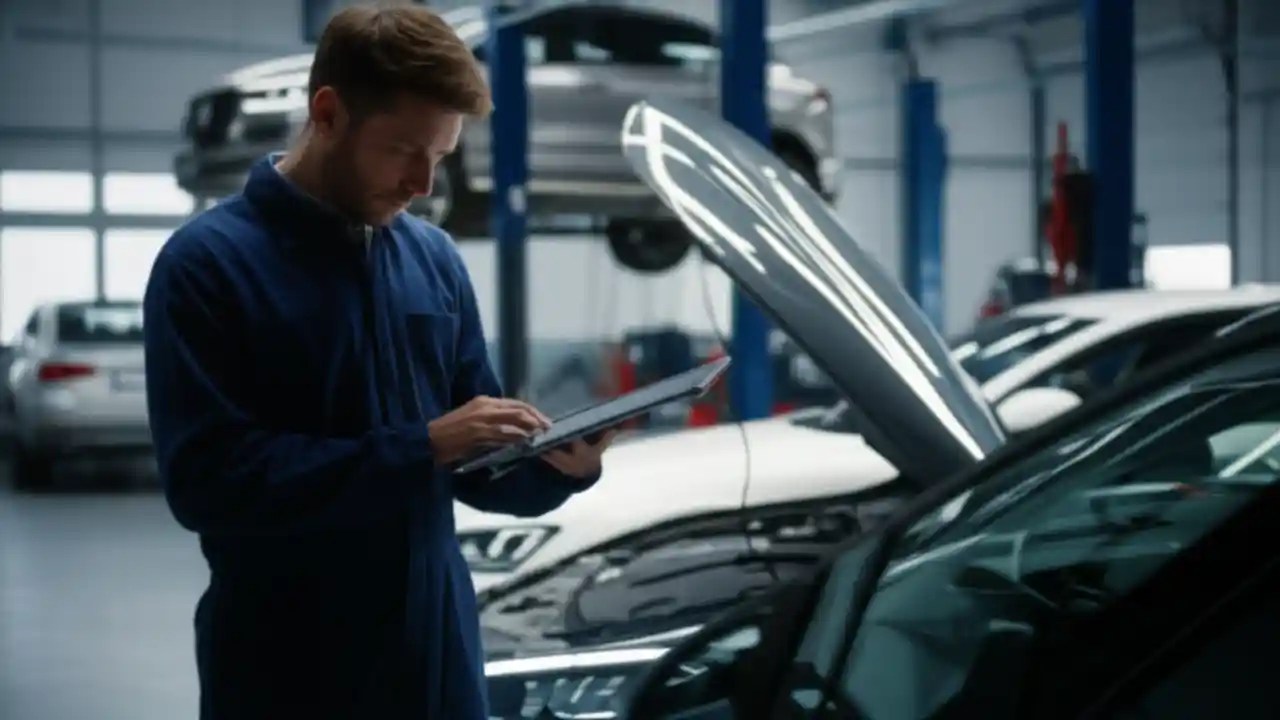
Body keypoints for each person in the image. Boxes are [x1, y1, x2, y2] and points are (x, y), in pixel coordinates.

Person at [142, 5, 615, 718]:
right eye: (404, 151)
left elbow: (474, 465)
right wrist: (420, 445)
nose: (424, 184)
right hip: (288, 667)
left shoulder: (433, 260)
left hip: (435, 657)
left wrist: (558, 470)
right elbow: (210, 484)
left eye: (442, 156)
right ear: (328, 113)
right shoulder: (207, 265)